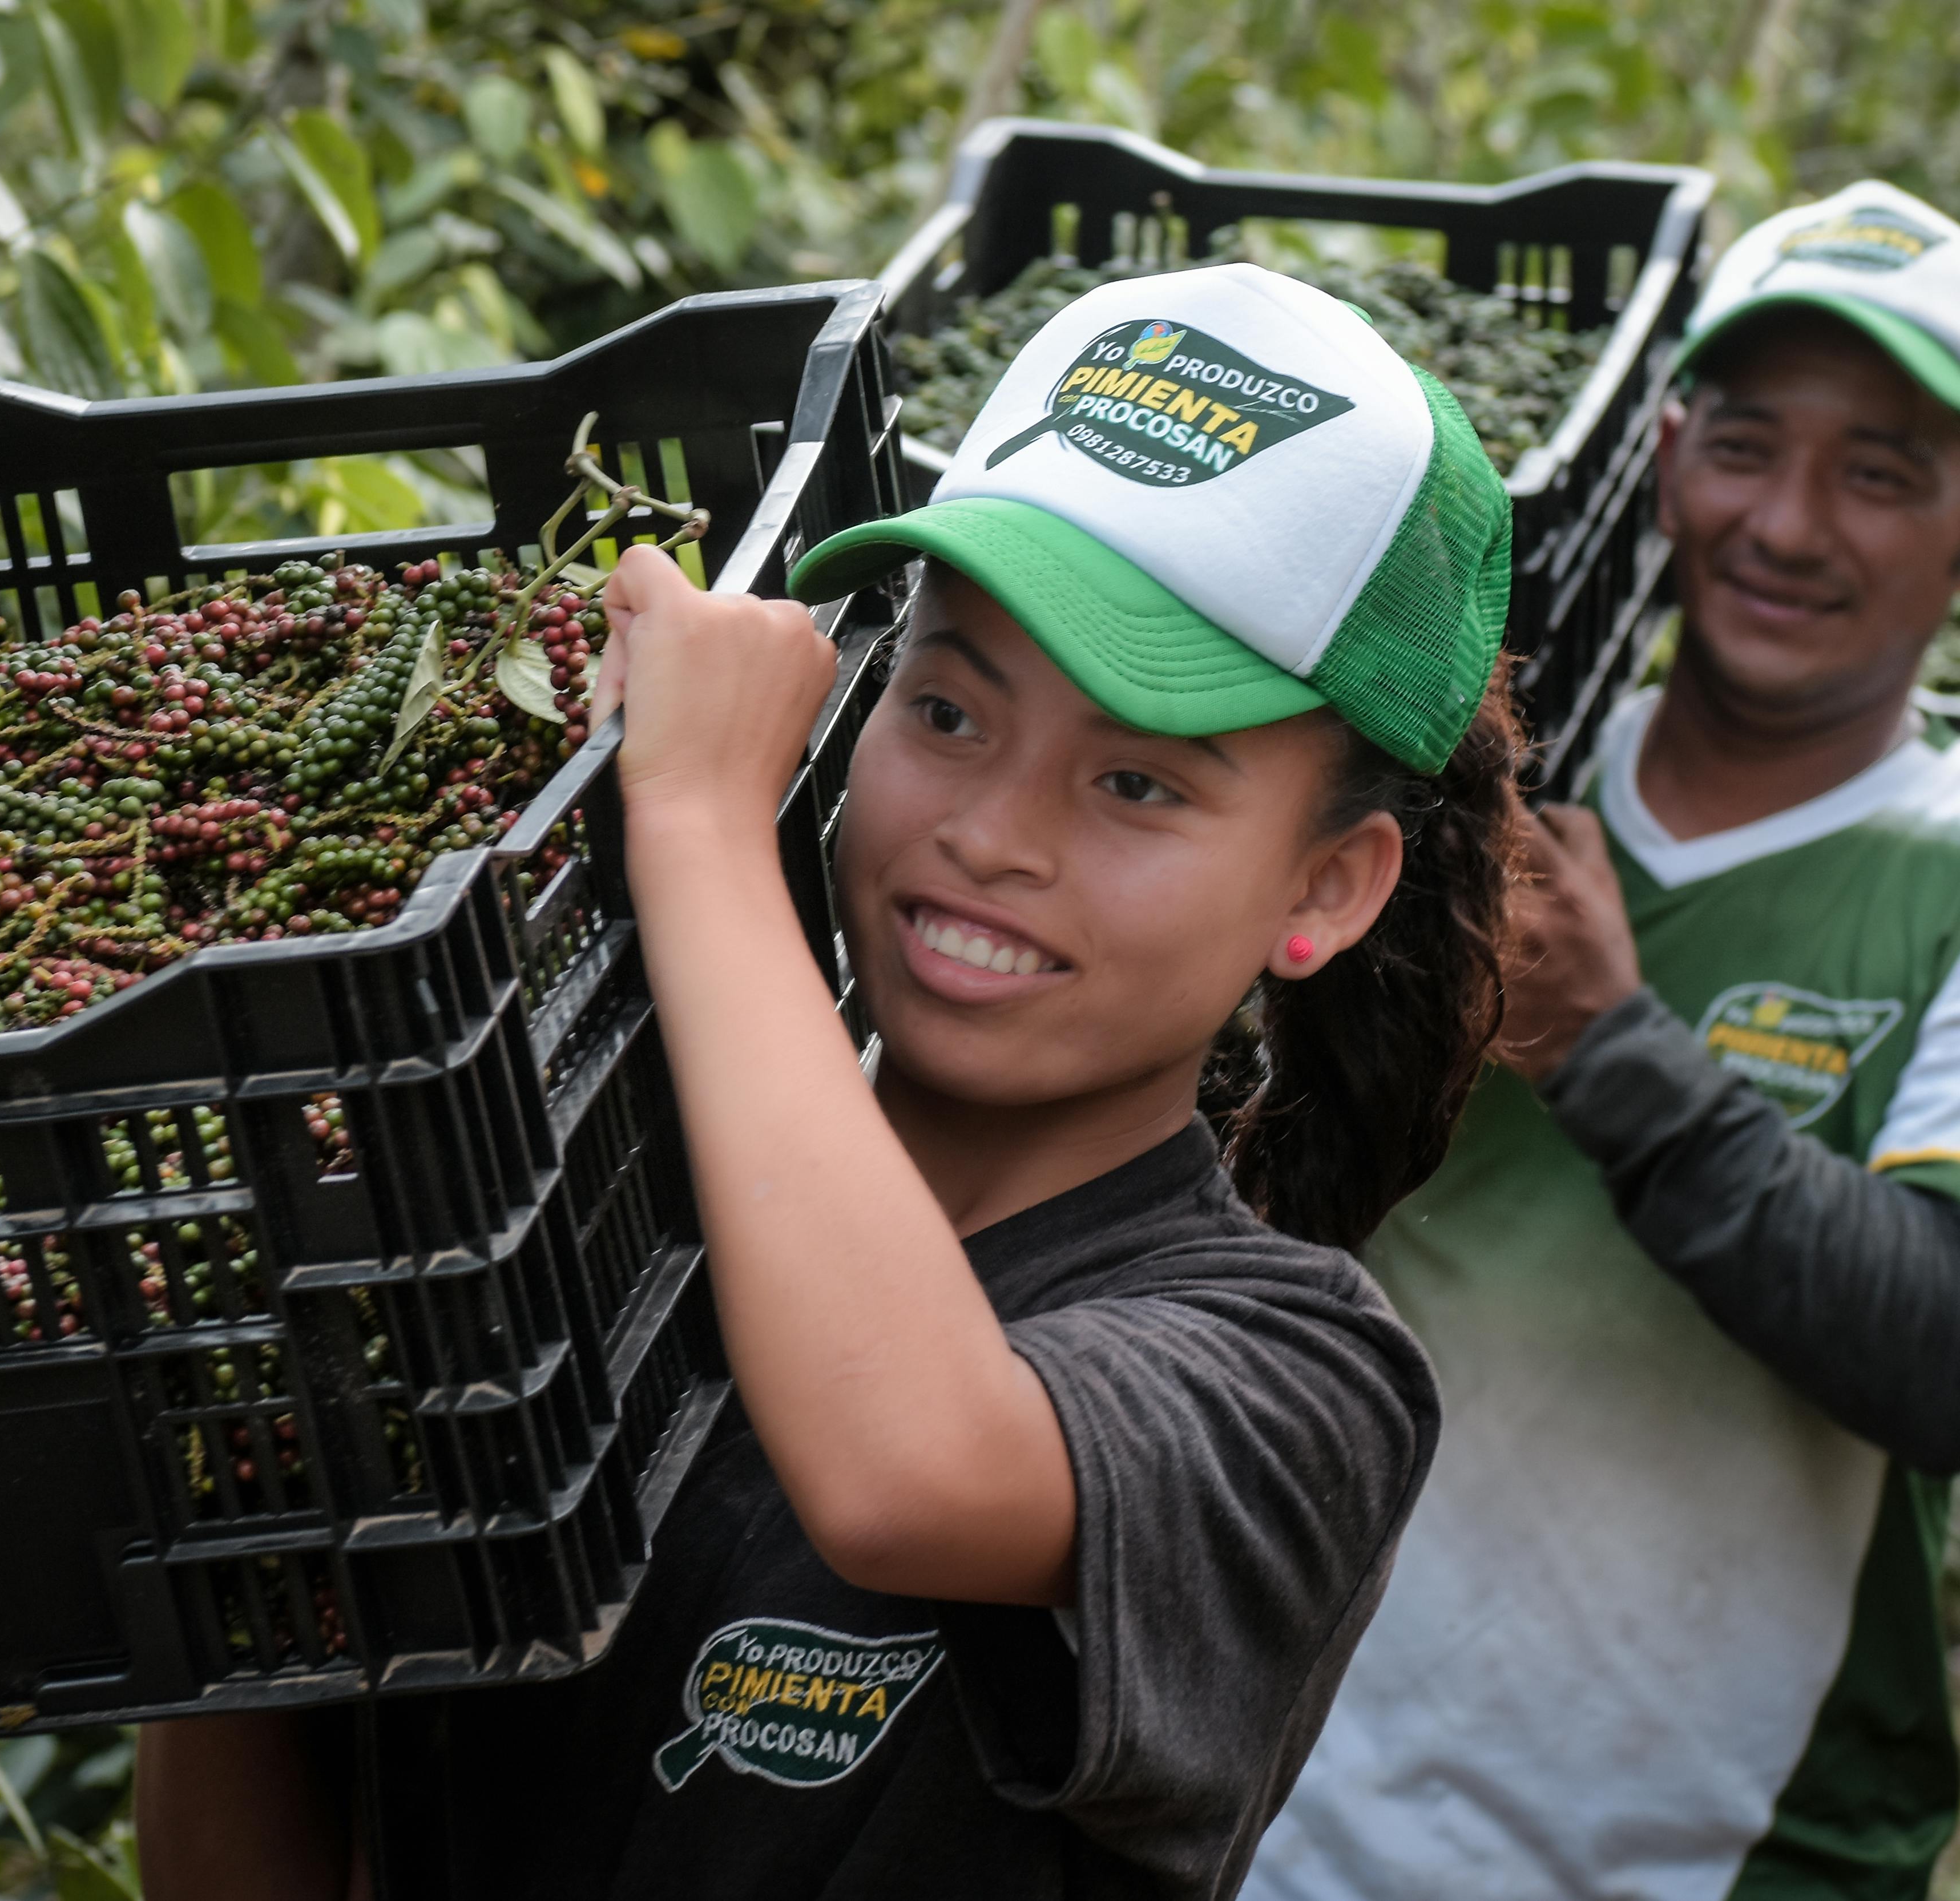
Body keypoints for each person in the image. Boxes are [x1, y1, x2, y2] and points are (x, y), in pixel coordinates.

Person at [135, 260, 1532, 1900]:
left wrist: (701, 822)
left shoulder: (1295, 1384)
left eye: (1139, 782)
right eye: (945, 708)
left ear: (1325, 891)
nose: (991, 833)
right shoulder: (589, 1219)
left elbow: (904, 1465)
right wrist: (226, 1516)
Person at [1249, 180, 1960, 1900]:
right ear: (1663, 454)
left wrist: (1612, 1052)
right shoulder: (1464, 802)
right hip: (1296, 1815)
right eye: (1745, 446)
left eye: (1881, 471)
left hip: (1725, 1854)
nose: (1789, 521)